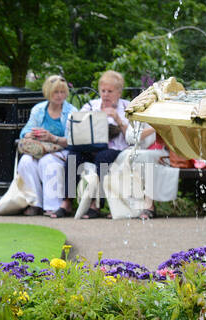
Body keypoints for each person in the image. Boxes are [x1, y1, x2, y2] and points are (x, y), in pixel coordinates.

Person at [70, 70, 132, 219]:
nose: (105, 94)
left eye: (110, 91)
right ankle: (66, 200)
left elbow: (132, 137)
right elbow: (76, 125)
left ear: (119, 92)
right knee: (72, 156)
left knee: (103, 158)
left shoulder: (127, 108)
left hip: (115, 149)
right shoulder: (91, 106)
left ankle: (97, 203)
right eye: (103, 91)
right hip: (90, 147)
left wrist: (117, 119)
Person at [15, 74, 77, 218]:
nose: (59, 95)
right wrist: (29, 135)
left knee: (47, 162)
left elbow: (73, 140)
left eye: (62, 92)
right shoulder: (39, 109)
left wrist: (52, 138)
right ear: (48, 92)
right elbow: (25, 130)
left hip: (62, 150)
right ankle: (35, 203)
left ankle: (53, 206)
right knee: (25, 161)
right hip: (40, 149)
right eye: (56, 92)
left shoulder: (71, 112)